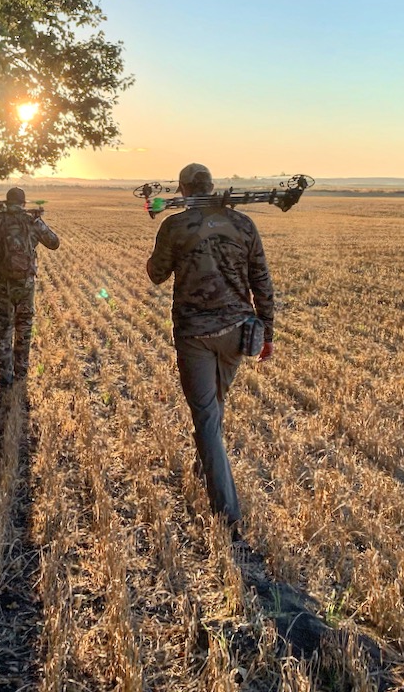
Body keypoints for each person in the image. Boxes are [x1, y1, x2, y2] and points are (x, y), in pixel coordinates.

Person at [146, 163, 275, 535]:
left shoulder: (174, 226)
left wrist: (154, 253)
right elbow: (261, 279)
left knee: (205, 417)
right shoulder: (244, 224)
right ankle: (206, 465)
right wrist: (268, 332)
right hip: (239, 331)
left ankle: (227, 513)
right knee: (213, 409)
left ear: (184, 189)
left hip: (195, 334)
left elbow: (157, 273)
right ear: (213, 186)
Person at [0, 187, 61, 385]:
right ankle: (21, 375)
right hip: (25, 286)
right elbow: (54, 243)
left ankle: (5, 379)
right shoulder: (31, 222)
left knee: (3, 331)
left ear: (7, 203)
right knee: (24, 329)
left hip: (0, 286)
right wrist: (38, 220)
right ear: (23, 203)